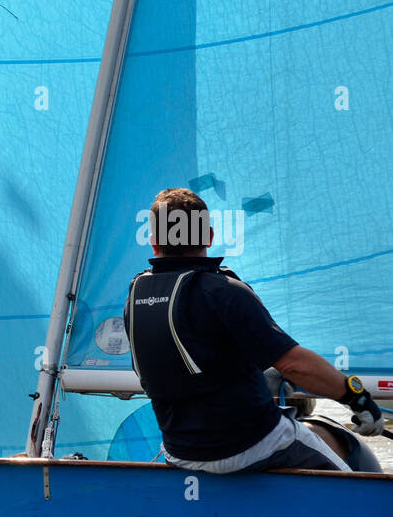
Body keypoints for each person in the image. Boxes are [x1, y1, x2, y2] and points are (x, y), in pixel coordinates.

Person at [125, 187, 384, 474]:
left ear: (154, 243)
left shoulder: (135, 298)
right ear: (208, 236)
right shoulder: (225, 291)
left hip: (181, 453)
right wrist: (356, 398)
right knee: (354, 484)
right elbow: (293, 364)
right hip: (253, 444)